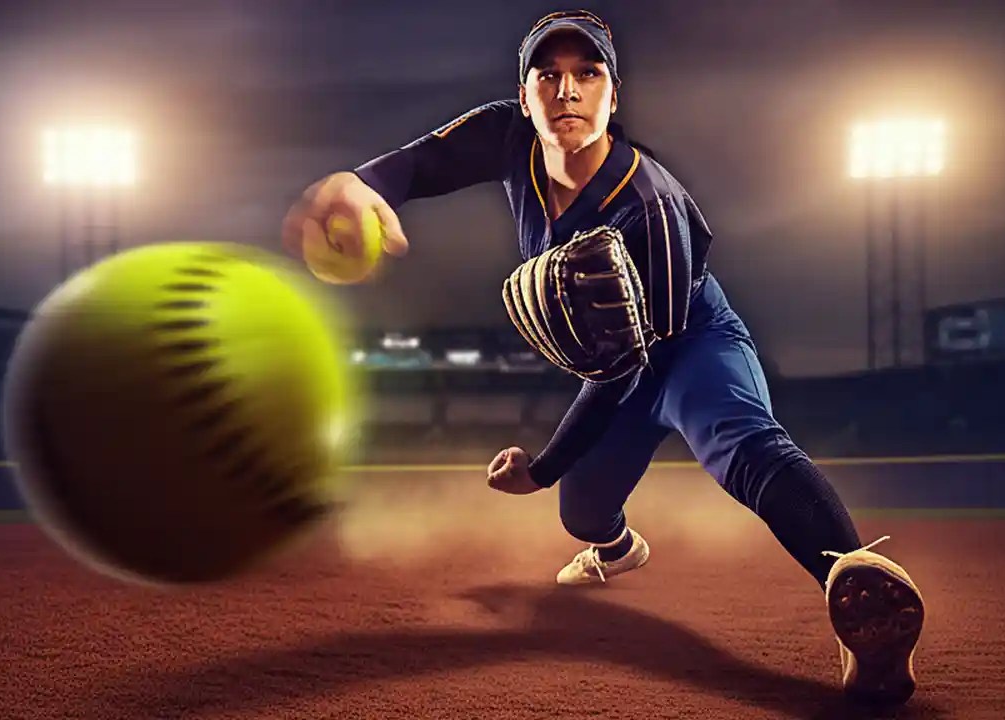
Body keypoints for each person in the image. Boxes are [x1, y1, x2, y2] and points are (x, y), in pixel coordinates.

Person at [282, 9, 925, 706]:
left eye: (588, 74)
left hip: (690, 343)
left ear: (612, 97)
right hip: (618, 368)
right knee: (581, 515)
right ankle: (617, 548)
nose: (567, 91)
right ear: (523, 97)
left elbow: (628, 369)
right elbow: (425, 162)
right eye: (548, 76)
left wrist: (543, 466)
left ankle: (856, 591)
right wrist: (362, 182)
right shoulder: (508, 137)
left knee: (741, 443)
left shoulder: (650, 205)